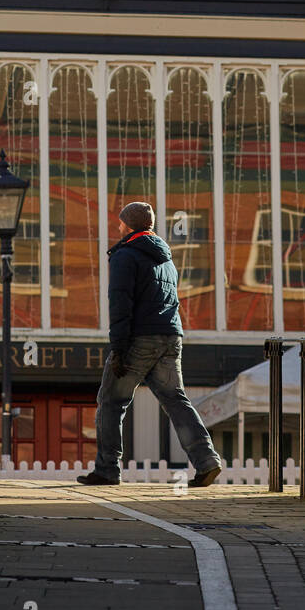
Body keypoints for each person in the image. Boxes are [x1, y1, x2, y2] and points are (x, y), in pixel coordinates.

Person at [77, 201, 223, 488]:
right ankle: (207, 461)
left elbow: (120, 304)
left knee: (111, 401)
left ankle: (107, 469)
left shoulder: (125, 255)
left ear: (128, 225)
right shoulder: (165, 258)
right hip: (171, 336)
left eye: (120, 222)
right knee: (176, 400)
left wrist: (118, 349)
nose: (118, 227)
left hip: (139, 339)